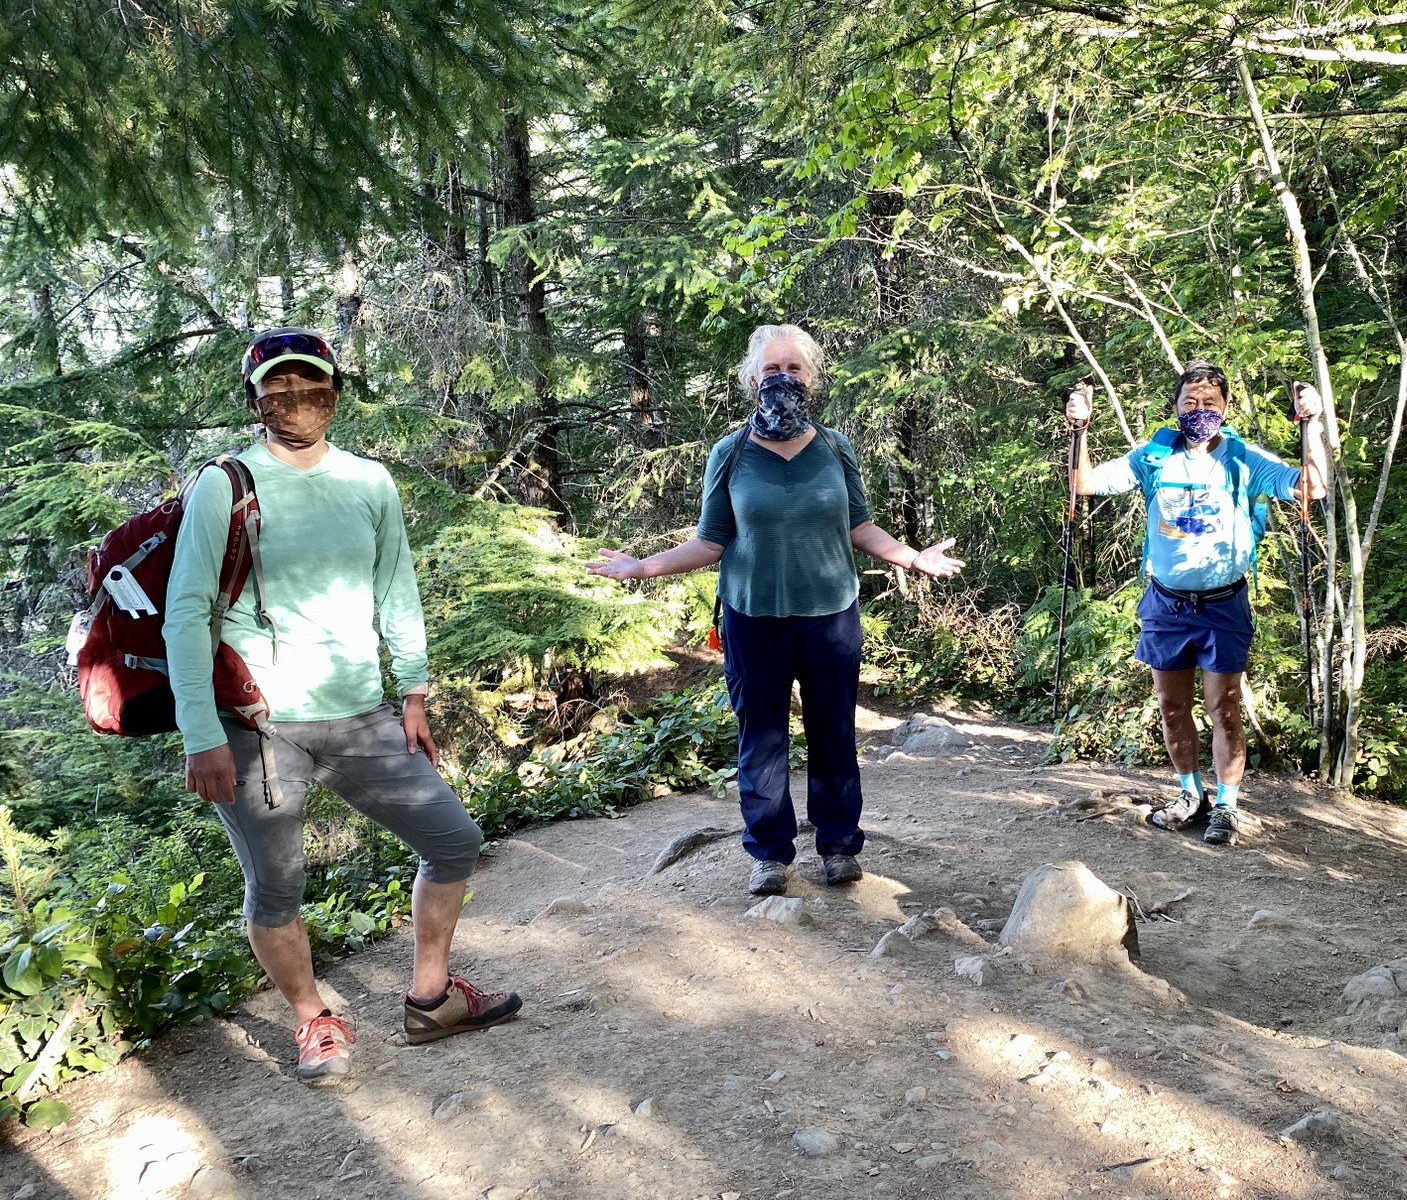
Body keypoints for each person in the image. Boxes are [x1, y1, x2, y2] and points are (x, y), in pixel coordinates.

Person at [164, 328, 521, 1083]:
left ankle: (431, 998)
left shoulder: (369, 481)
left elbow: (397, 591)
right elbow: (186, 613)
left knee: (453, 839)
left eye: (310, 385)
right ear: (253, 398)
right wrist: (201, 732)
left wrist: (413, 693)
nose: (294, 399)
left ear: (334, 393)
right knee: (277, 885)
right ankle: (312, 1019)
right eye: (276, 387)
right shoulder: (224, 485)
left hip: (363, 716)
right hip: (259, 727)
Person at [588, 324, 965, 896]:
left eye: (794, 368)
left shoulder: (836, 448)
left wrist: (912, 558)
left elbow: (859, 525)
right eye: (771, 370)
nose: (783, 378)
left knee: (834, 734)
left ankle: (839, 847)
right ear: (751, 380)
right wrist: (641, 567)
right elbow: (711, 541)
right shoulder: (730, 452)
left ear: (812, 378)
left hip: (830, 616)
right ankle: (770, 855)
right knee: (761, 738)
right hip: (752, 616)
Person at [1066, 363, 1325, 846]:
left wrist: (1315, 424)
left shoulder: (1244, 459)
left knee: (1224, 707)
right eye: (1191, 402)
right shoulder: (1154, 456)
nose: (1200, 411)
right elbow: (1082, 485)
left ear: (1225, 408)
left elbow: (1312, 488)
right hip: (1165, 603)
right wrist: (1079, 430)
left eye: (1209, 403)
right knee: (1171, 706)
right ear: (1177, 406)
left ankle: (1226, 804)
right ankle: (1190, 794)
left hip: (1223, 604)